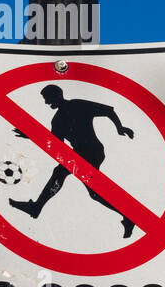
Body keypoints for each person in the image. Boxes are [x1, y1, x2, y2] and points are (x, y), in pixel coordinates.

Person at [9, 84, 137, 237]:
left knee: (62, 174)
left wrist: (120, 128)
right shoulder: (56, 120)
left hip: (93, 152)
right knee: (90, 191)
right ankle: (129, 217)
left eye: (47, 98)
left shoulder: (77, 104)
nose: (46, 103)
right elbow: (55, 144)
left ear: (57, 95)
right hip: (79, 155)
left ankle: (36, 207)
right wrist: (31, 135)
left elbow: (109, 111)